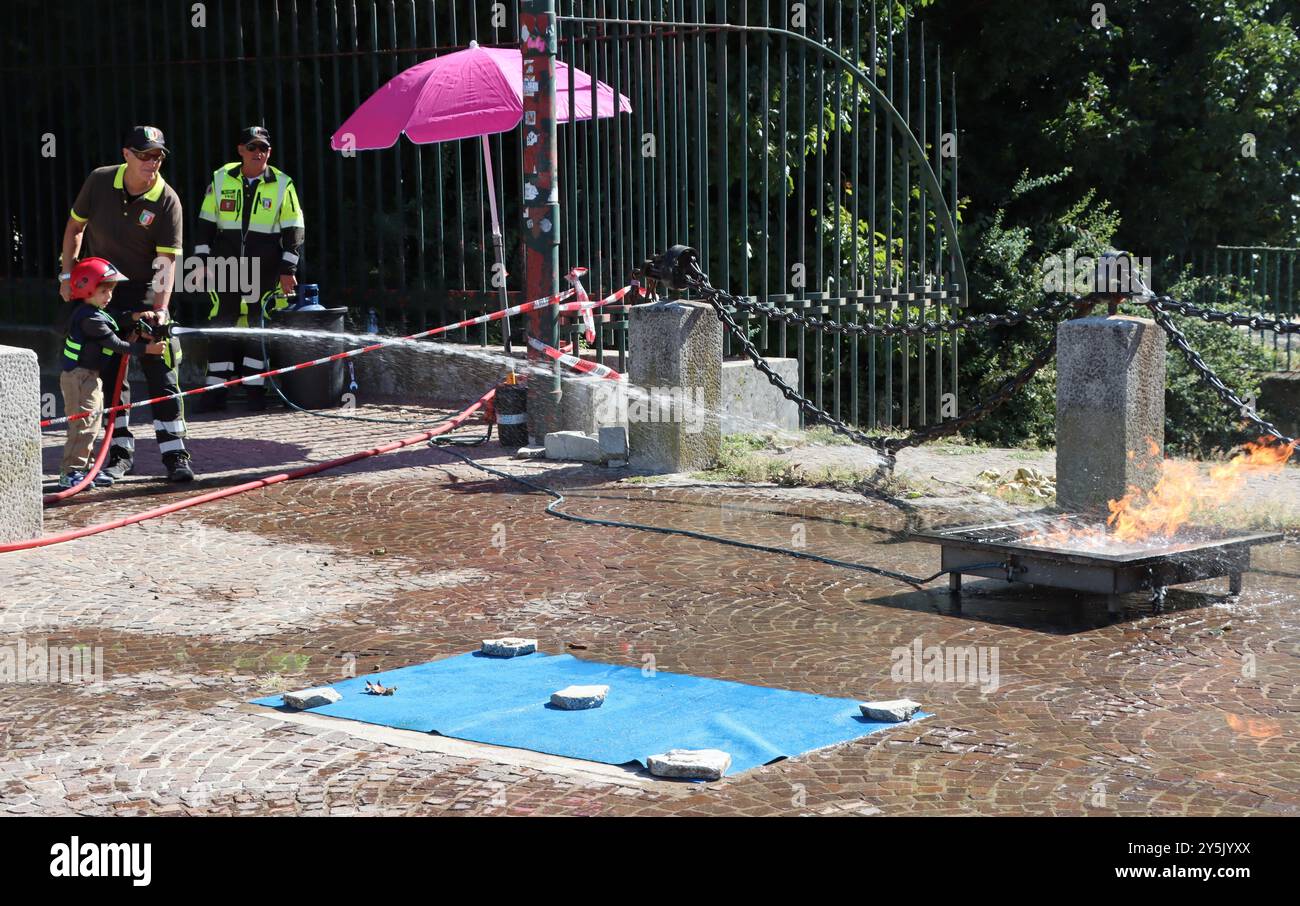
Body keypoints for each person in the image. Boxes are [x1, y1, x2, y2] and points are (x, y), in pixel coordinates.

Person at [59, 126, 194, 482]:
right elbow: (74, 228)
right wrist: (67, 276)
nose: (153, 162)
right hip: (104, 290)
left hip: (146, 291)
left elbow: (167, 263)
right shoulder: (99, 181)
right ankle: (119, 453)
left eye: (158, 156)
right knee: (108, 373)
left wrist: (159, 310)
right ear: (127, 155)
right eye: (145, 155)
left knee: (161, 368)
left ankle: (175, 454)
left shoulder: (167, 200)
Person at [195, 125, 305, 410]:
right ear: (241, 150)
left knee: (259, 325)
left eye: (264, 148)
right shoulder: (221, 177)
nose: (258, 152)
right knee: (221, 323)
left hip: (264, 268)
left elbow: (294, 229)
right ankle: (215, 392)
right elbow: (206, 222)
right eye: (252, 147)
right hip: (226, 265)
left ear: (269, 152)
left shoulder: (282, 183)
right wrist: (201, 261)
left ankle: (255, 391)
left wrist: (288, 270)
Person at [59, 258, 166, 489]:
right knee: (83, 426)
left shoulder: (95, 312)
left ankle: (84, 470)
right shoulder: (89, 319)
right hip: (79, 378)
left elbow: (115, 318)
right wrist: (149, 350)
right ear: (86, 289)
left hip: (89, 377)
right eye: (103, 291)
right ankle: (71, 472)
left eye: (111, 290)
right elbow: (116, 344)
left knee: (91, 425)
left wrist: (136, 317)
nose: (109, 295)